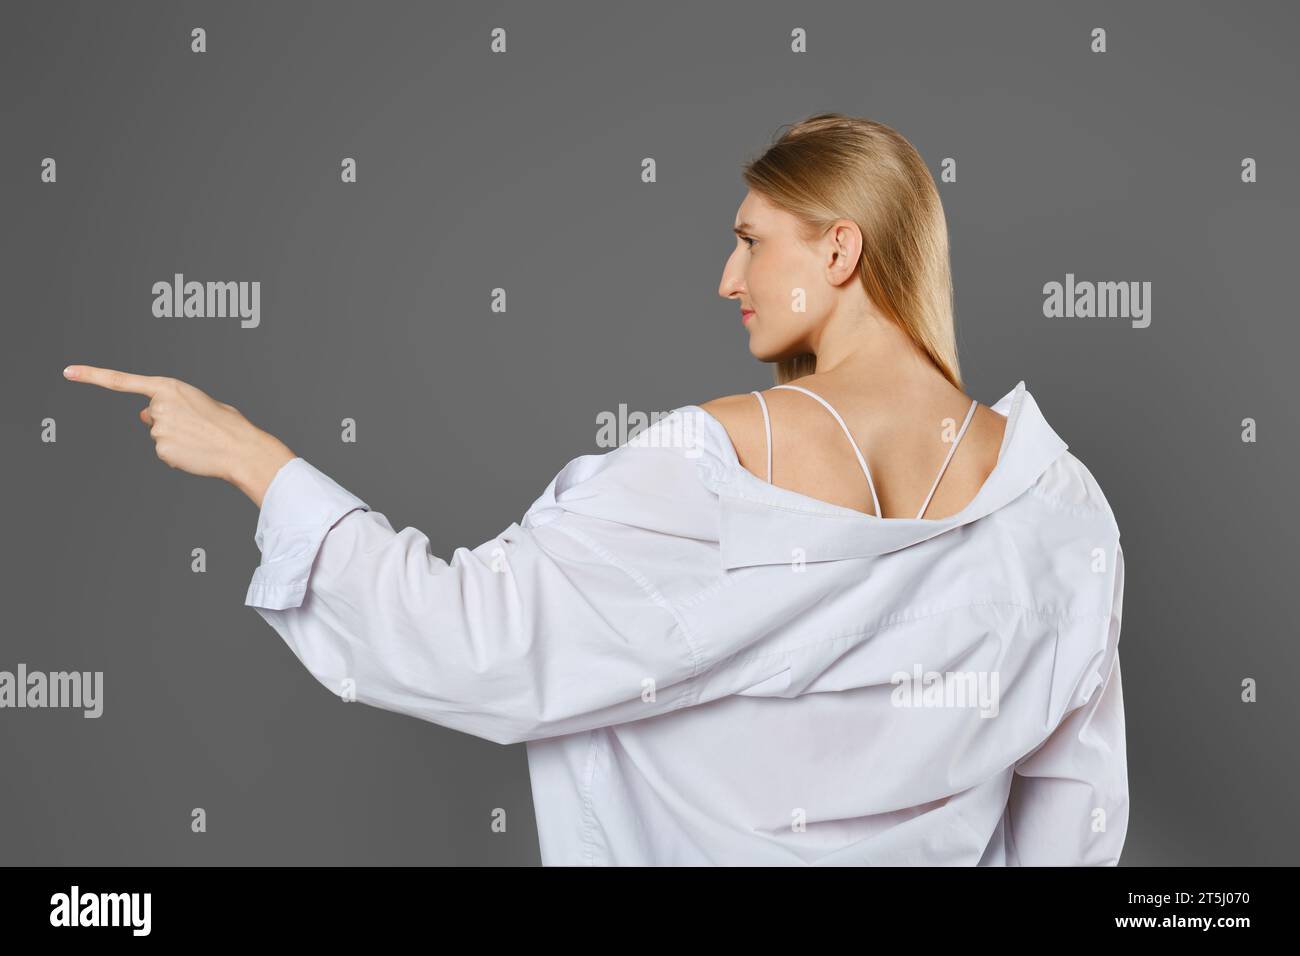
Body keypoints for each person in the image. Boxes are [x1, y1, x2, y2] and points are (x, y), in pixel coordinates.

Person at [63, 113, 1128, 866]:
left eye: (752, 239)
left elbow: (467, 640)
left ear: (839, 248)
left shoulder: (713, 463)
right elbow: (1073, 816)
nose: (728, 277)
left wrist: (252, 456)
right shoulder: (1062, 506)